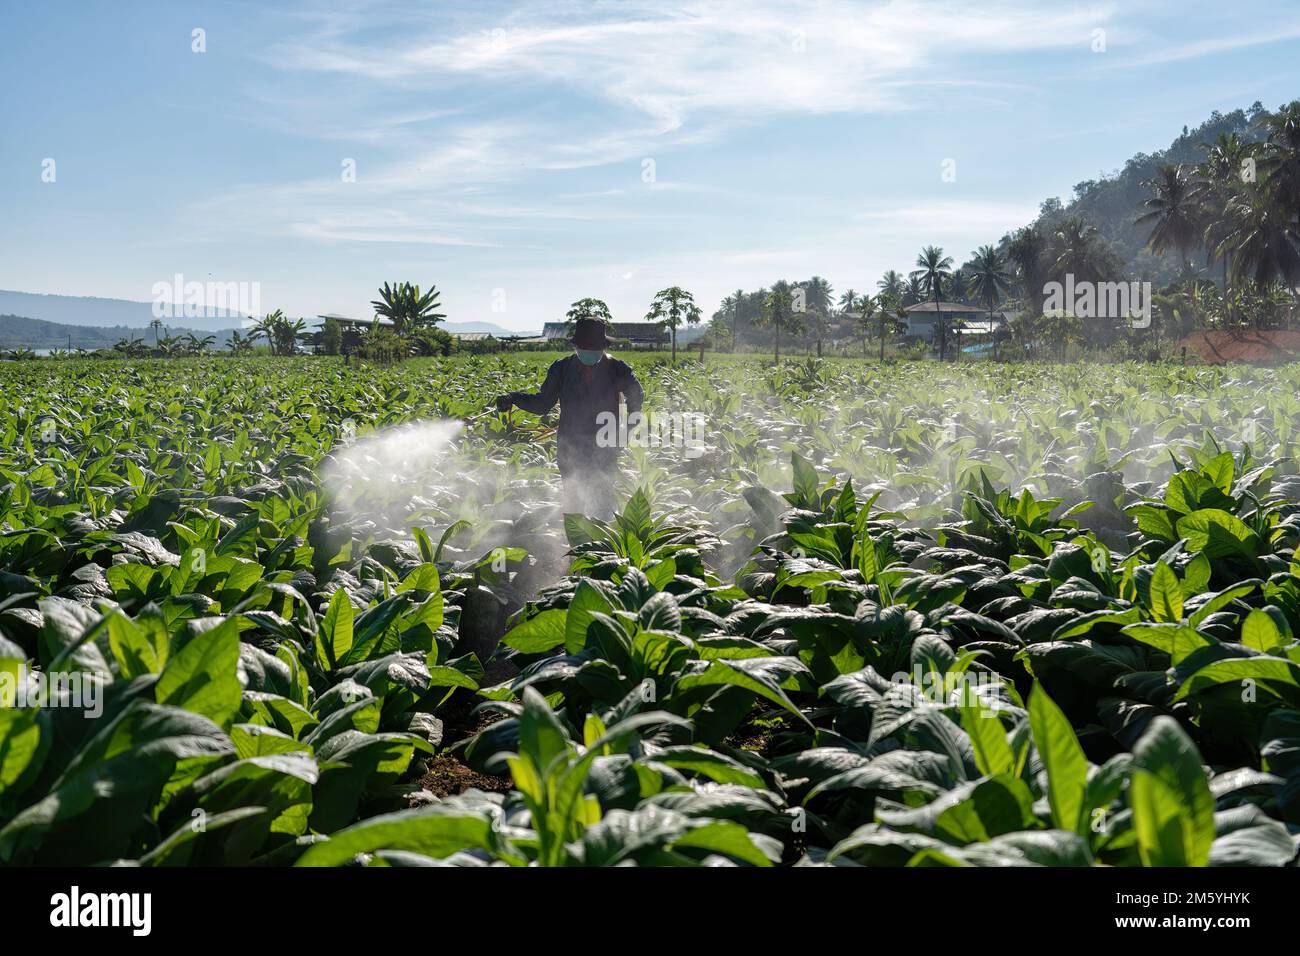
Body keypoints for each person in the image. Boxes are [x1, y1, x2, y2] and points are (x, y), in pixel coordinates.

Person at [495, 318, 644, 518]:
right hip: (570, 448)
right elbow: (542, 403)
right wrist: (514, 398)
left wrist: (627, 430)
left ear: (603, 348)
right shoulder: (562, 369)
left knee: (603, 501)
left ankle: (602, 544)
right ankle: (576, 543)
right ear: (576, 346)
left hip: (605, 447)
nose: (590, 353)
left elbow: (636, 395)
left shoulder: (616, 368)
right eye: (585, 348)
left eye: (595, 348)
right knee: (574, 503)